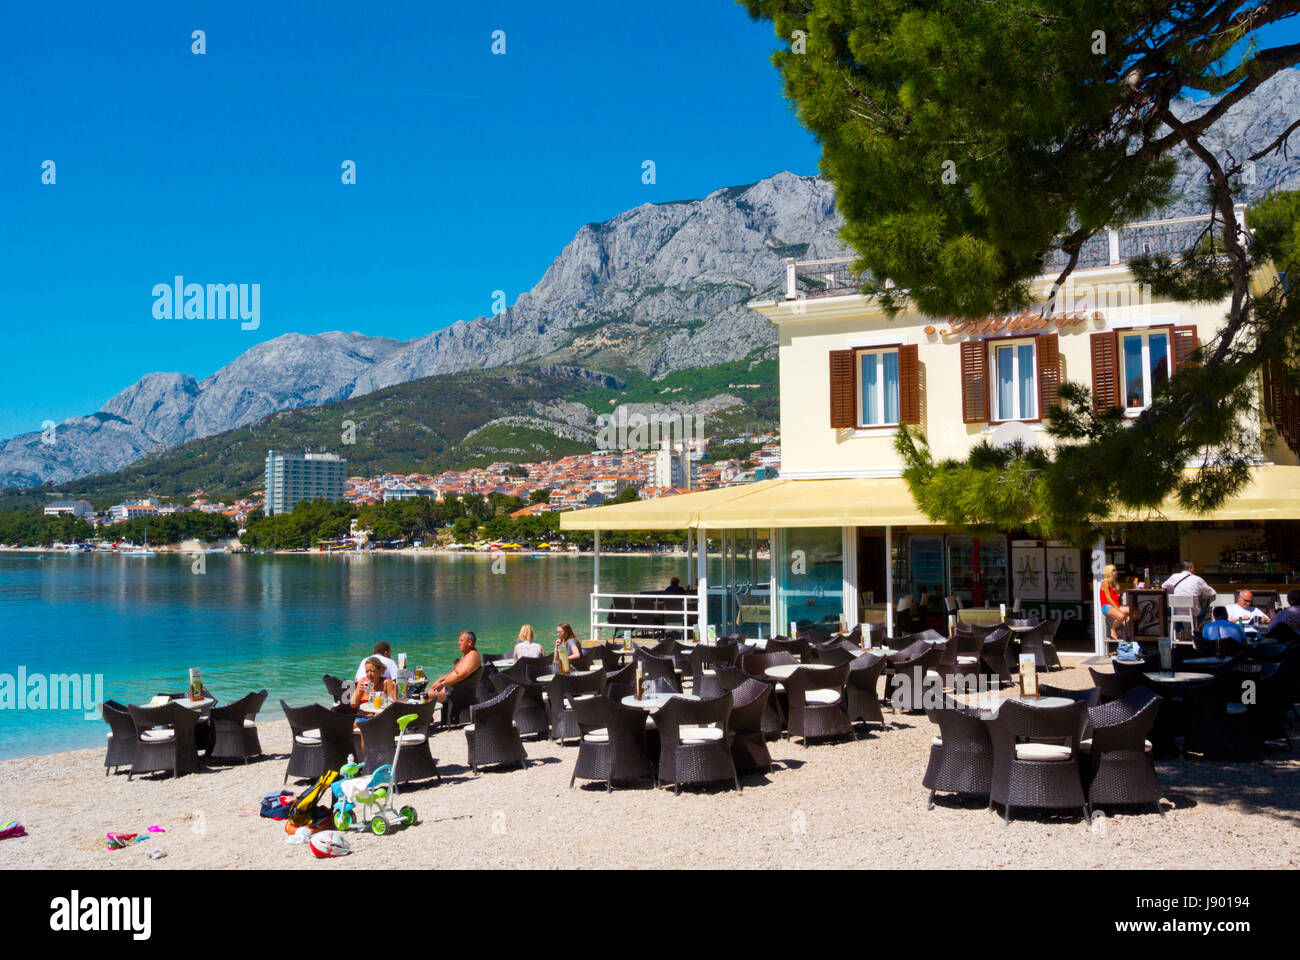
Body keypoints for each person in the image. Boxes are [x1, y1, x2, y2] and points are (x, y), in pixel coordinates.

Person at [429, 631, 482, 703]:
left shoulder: (472, 656)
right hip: (454, 689)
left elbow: (460, 675)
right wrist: (440, 679)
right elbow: (454, 672)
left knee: (427, 695)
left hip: (458, 694)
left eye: (461, 640)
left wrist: (442, 684)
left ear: (469, 643)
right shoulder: (466, 655)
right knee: (428, 692)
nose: (458, 643)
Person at [1099, 564, 1131, 642]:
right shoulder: (1105, 582)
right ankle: (1113, 629)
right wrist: (1118, 609)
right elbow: (1108, 598)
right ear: (1109, 572)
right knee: (1121, 616)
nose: (1116, 572)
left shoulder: (1114, 583)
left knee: (1135, 612)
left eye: (1115, 570)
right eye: (1113, 570)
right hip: (1106, 605)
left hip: (1115, 605)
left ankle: (1119, 626)